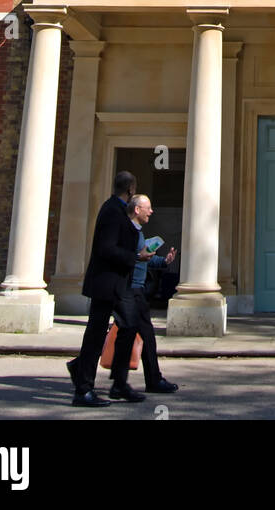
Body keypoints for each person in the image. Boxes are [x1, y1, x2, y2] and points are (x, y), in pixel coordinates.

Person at [66, 170, 147, 407]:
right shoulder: (112, 211)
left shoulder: (118, 210)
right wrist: (135, 256)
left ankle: (118, 383)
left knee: (130, 326)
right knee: (95, 335)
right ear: (131, 190)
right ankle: (83, 390)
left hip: (117, 283)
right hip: (105, 283)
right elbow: (106, 249)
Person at [109, 194, 179, 398]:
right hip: (129, 289)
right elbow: (127, 257)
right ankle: (122, 383)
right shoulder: (128, 231)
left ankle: (149, 380)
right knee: (129, 334)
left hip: (136, 290)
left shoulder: (137, 233)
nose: (151, 211)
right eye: (147, 208)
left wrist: (164, 261)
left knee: (143, 336)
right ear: (137, 210)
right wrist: (139, 257)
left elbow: (143, 258)